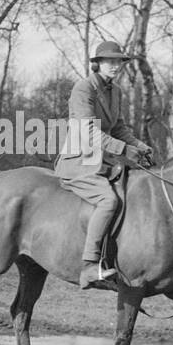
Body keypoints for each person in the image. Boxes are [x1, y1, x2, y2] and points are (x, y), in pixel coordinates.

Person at [55, 40, 154, 288]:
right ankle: (89, 266)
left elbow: (119, 127)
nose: (115, 66)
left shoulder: (116, 91)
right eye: (110, 61)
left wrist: (140, 146)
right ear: (97, 64)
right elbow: (89, 132)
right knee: (108, 200)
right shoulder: (83, 89)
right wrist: (125, 150)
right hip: (79, 161)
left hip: (102, 162)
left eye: (118, 61)